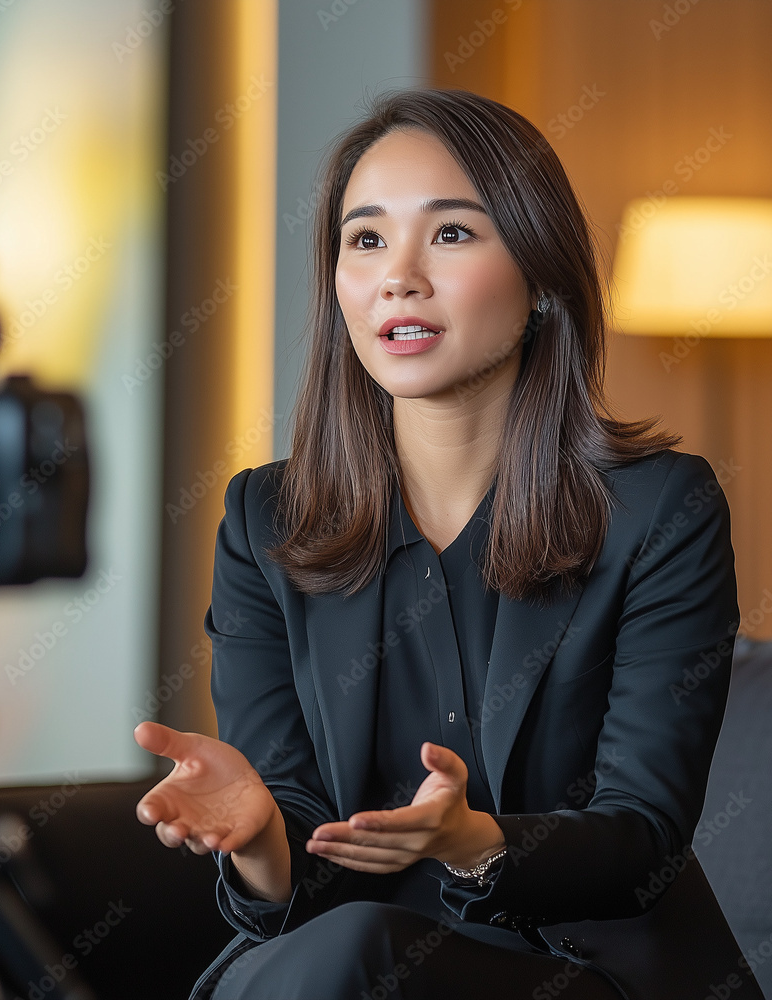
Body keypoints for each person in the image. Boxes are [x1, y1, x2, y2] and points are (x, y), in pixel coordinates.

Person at [132, 88, 764, 1000]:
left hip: (584, 968)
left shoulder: (660, 508)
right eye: (366, 238)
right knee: (341, 951)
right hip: (339, 965)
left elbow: (643, 835)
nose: (400, 275)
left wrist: (477, 842)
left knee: (354, 955)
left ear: (542, 277)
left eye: (453, 234)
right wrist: (261, 835)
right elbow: (301, 860)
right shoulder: (265, 520)